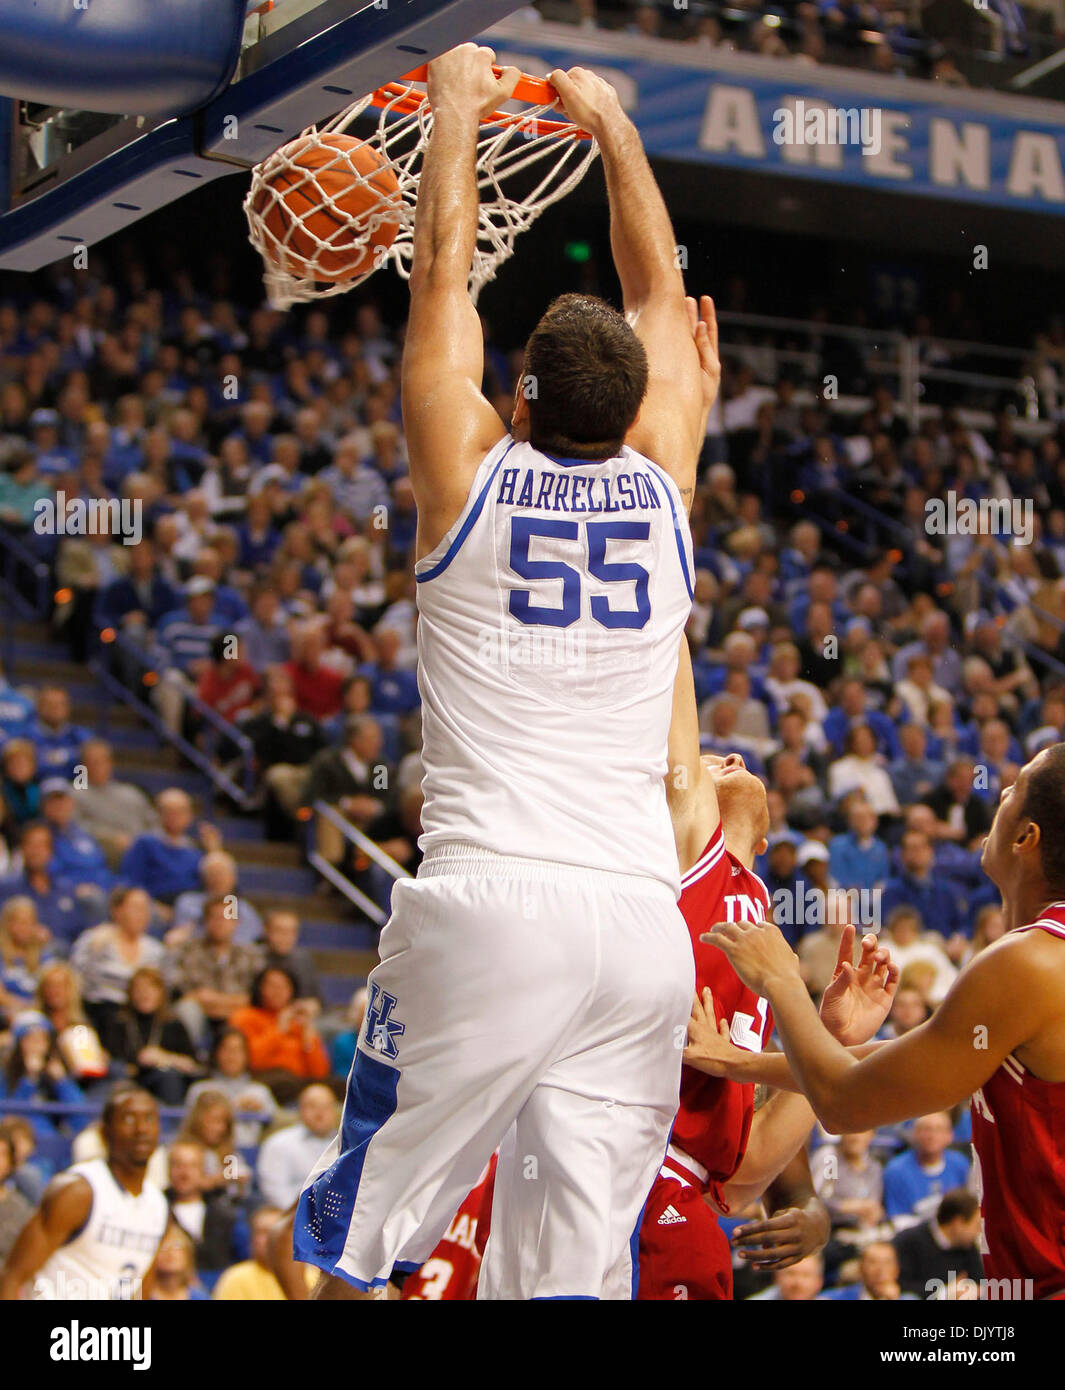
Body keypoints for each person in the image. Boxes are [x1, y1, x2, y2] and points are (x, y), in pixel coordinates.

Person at [297, 44, 716, 1303]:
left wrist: (458, 112)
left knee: (348, 1233)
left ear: (515, 399)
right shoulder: (668, 479)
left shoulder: (468, 470)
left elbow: (438, 282)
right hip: (645, 929)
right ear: (642, 403)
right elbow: (660, 304)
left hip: (494, 907)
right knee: (568, 1278)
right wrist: (615, 136)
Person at [691, 742, 1065, 1300]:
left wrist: (783, 982)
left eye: (1014, 790)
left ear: (1025, 838)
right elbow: (879, 1069)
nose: (1001, 794)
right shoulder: (1035, 963)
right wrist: (742, 1063)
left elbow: (846, 1102)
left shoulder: (1028, 964)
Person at [635, 640, 897, 1300]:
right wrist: (661, 567)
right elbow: (674, 692)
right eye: (712, 759)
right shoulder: (691, 851)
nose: (730, 757)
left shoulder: (759, 924)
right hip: (634, 1163)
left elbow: (744, 1171)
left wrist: (829, 1040)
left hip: (683, 1185)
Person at [0, 1087, 170, 1300]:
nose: (141, 1129)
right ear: (104, 1133)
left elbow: (141, 1289)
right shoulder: (78, 1191)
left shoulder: (159, 1206)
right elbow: (12, 1275)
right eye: (128, 1119)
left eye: (149, 1119)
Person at [69, 885, 168, 1036]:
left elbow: (162, 992)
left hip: (143, 1020)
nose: (143, 914)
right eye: (136, 908)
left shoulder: (156, 950)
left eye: (146, 909)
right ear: (117, 911)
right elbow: (75, 980)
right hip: (101, 1015)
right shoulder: (95, 942)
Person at [101, 967, 201, 1104]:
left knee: (168, 1076)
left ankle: (172, 1121)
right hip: (126, 1079)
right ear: (131, 993)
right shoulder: (119, 1023)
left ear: (161, 993)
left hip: (162, 1080)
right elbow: (108, 1057)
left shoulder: (173, 1023)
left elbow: (192, 1065)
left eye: (150, 988)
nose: (144, 993)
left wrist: (164, 1057)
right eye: (139, 988)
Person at [229, 966, 329, 1101]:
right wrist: (279, 1029)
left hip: (300, 1082)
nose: (278, 992)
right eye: (272, 986)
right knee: (286, 1082)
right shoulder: (244, 1017)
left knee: (343, 1086)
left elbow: (319, 1073)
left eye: (284, 986)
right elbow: (250, 1060)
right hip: (264, 1079)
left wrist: (307, 1035)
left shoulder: (299, 1021)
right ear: (259, 989)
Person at [258, 1083, 338, 1212]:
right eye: (312, 1106)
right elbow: (274, 1190)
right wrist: (304, 1216)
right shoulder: (279, 1143)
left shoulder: (346, 1145)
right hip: (292, 1218)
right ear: (300, 1110)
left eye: (326, 1107)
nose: (320, 1114)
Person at [881, 1112, 970, 1227]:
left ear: (950, 1136)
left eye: (938, 1130)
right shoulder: (896, 1170)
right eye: (926, 1130)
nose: (932, 1136)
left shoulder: (960, 1164)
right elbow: (898, 1219)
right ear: (914, 1134)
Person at [892, 1188, 984, 1298]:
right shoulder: (908, 1242)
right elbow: (899, 1285)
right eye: (976, 1225)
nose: (979, 1231)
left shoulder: (967, 1247)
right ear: (957, 1223)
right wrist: (945, 1292)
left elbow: (979, 1283)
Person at [212, 1205, 290, 1300]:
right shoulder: (235, 1279)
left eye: (272, 1232)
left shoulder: (309, 1277)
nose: (268, 1239)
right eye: (261, 1232)